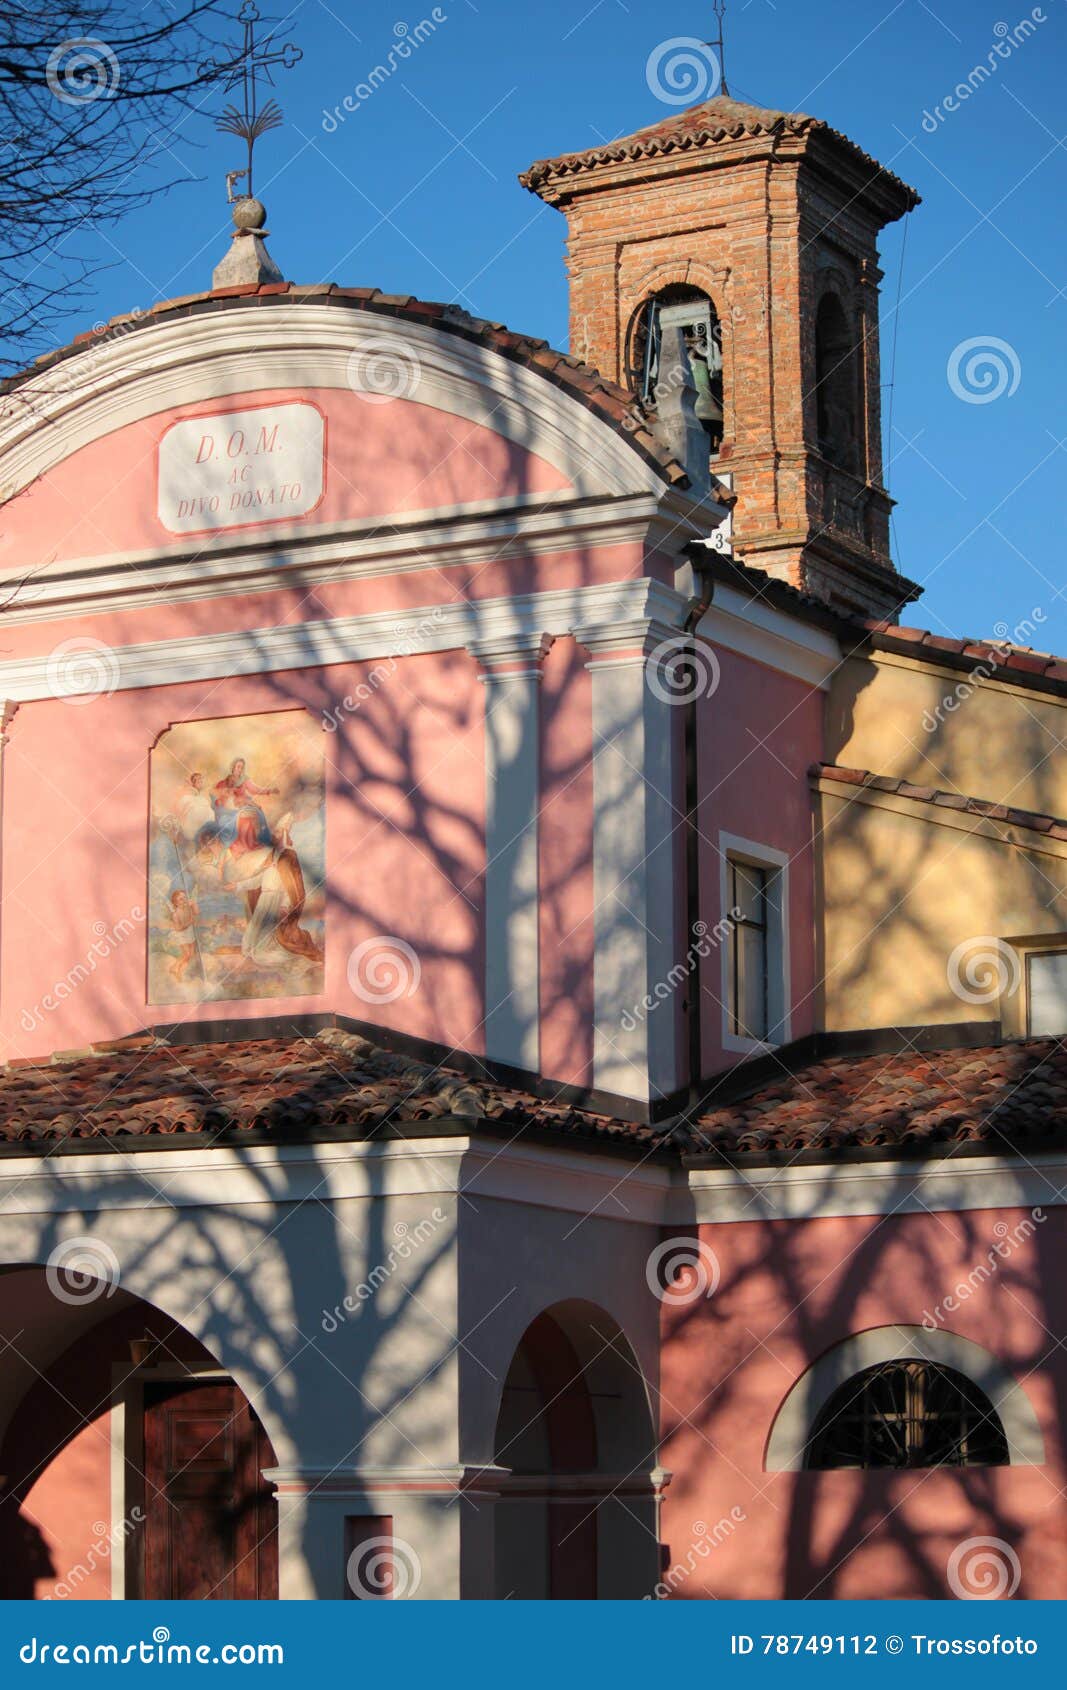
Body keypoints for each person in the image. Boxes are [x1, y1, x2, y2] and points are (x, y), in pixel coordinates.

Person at [211, 757, 278, 858]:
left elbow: (255, 789)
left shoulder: (244, 779)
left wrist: (270, 791)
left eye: (242, 767)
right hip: (232, 806)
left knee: (256, 812)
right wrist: (221, 799)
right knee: (244, 814)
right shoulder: (225, 781)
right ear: (233, 767)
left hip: (242, 803)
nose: (240, 769)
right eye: (238, 767)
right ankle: (240, 846)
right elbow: (216, 794)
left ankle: (255, 841)